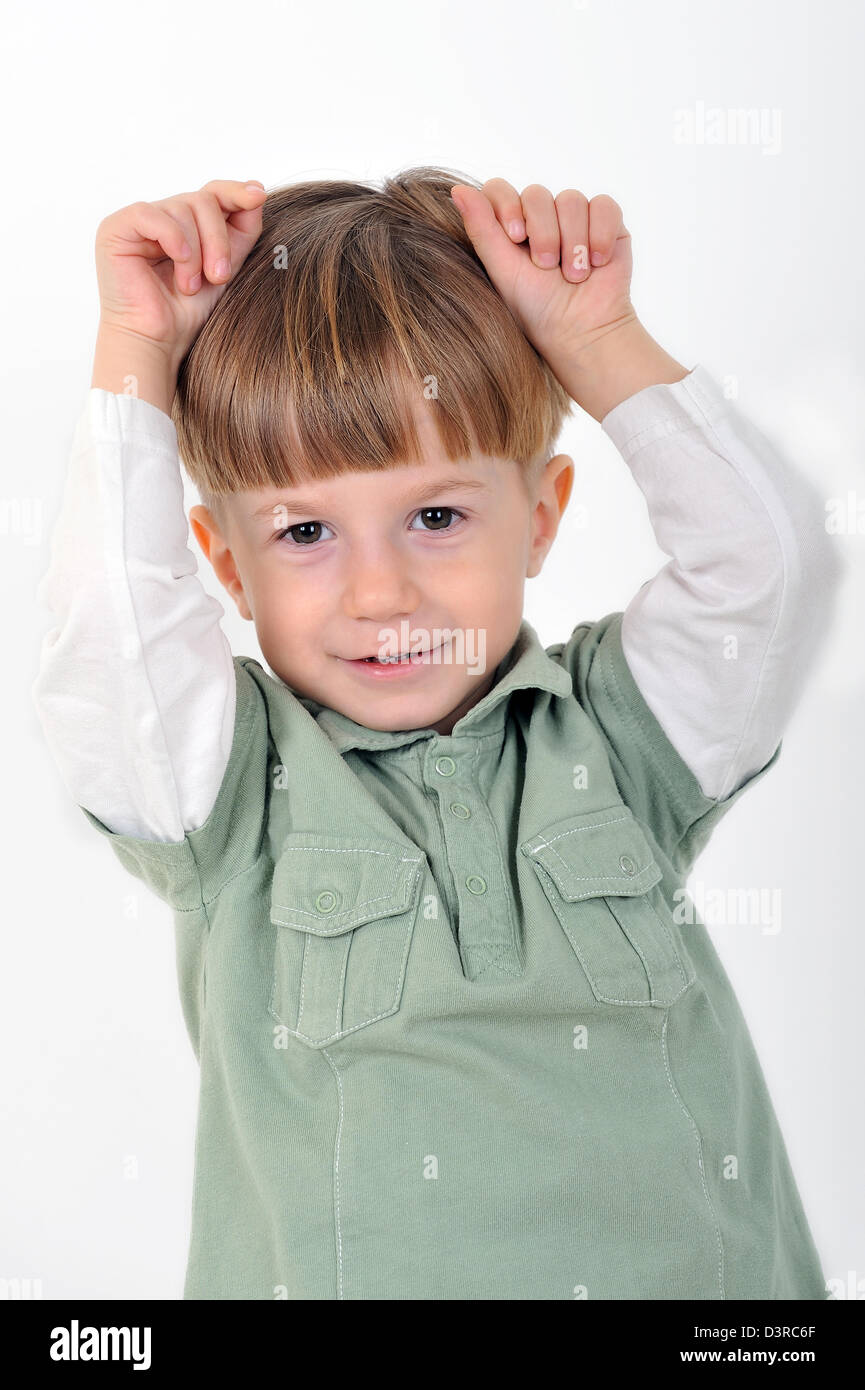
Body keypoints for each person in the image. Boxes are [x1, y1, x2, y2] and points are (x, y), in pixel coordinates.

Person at [32, 167, 841, 1299]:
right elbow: (110, 627)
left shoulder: (624, 734)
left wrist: (597, 338)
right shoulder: (225, 790)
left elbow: (771, 565)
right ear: (223, 566)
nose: (381, 592)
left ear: (541, 517)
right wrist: (137, 354)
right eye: (305, 529)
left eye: (436, 516)